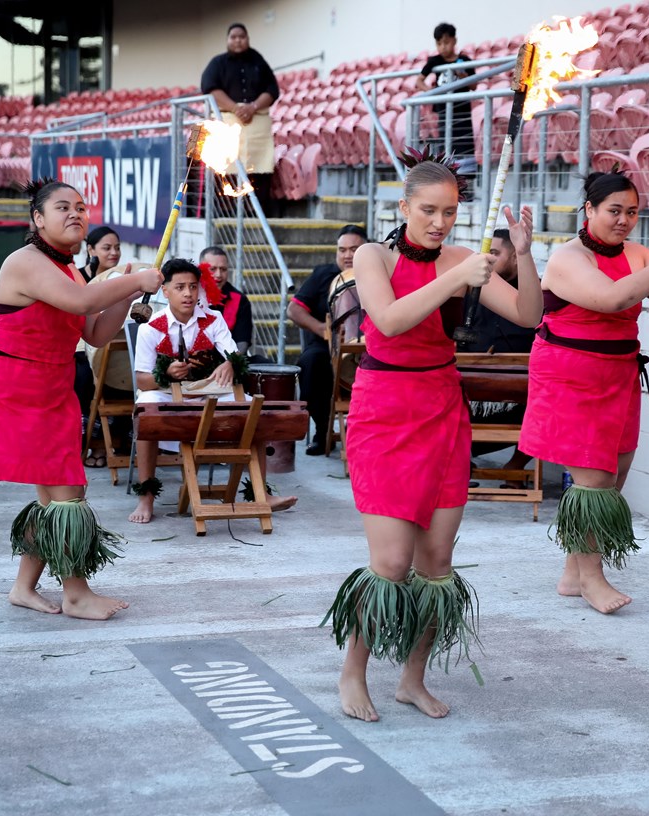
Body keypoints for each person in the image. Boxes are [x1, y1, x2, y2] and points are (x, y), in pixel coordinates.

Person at [324, 149, 543, 722]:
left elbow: (529, 315)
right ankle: (353, 672)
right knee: (392, 563)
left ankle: (411, 680)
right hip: (383, 412)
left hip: (442, 410)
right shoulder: (373, 255)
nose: (439, 222)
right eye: (428, 210)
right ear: (404, 206)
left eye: (448, 212)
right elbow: (390, 322)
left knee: (437, 564)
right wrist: (455, 278)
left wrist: (522, 256)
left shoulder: (464, 259)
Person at [519, 169, 649, 615]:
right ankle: (593, 578)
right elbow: (611, 298)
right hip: (569, 375)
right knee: (594, 481)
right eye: (614, 211)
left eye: (632, 212)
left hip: (619, 374)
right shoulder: (567, 258)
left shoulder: (637, 254)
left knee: (613, 476)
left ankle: (574, 573)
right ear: (590, 209)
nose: (624, 220)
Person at [0, 179, 163, 620]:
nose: (76, 213)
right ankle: (76, 593)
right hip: (15, 388)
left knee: (53, 493)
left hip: (50, 388)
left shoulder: (70, 270)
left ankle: (24, 587)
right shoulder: (26, 261)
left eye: (80, 206)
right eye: (63, 207)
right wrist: (133, 278)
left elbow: (93, 331)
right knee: (67, 491)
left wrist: (131, 292)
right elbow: (80, 303)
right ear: (38, 219)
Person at [128, 259, 297, 524]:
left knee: (255, 409)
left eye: (193, 287)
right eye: (180, 287)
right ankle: (146, 497)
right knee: (146, 408)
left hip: (207, 393)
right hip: (166, 393)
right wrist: (168, 374)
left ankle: (260, 493)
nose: (188, 294)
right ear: (165, 291)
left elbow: (233, 355)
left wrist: (231, 364)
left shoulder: (213, 318)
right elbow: (141, 380)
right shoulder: (151, 328)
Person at [287, 225, 368, 455]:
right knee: (311, 363)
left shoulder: (378, 274)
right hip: (326, 347)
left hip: (370, 345)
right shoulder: (324, 274)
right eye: (342, 250)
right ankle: (322, 431)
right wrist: (321, 327)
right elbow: (294, 310)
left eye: (354, 249)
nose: (347, 255)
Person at [466, 228, 536, 485]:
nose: (487, 259)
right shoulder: (471, 291)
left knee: (553, 402)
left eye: (494, 253)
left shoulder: (535, 295)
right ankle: (461, 463)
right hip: (469, 390)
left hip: (523, 395)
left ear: (517, 257)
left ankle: (514, 468)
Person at [200, 23, 280, 215]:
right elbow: (209, 87)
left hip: (256, 123)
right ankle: (224, 213)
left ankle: (257, 213)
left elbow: (272, 89)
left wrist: (252, 107)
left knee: (259, 170)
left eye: (241, 37)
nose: (238, 40)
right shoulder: (217, 63)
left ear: (248, 39)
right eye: (233, 37)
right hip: (227, 122)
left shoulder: (258, 61)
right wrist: (236, 108)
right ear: (227, 40)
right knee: (225, 169)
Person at [81, 226, 137, 468]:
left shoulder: (123, 279)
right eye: (107, 248)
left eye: (117, 247)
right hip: (83, 348)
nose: (113, 253)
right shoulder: (79, 279)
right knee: (85, 377)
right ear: (90, 250)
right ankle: (96, 444)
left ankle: (123, 440)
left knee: (130, 374)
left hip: (115, 347)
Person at [416, 23, 476, 159]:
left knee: (464, 145)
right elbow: (419, 81)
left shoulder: (465, 61)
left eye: (446, 42)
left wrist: (463, 77)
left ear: (454, 41)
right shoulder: (434, 61)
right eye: (439, 43)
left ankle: (466, 176)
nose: (443, 47)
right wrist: (431, 91)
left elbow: (474, 86)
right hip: (443, 111)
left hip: (462, 111)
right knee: (446, 144)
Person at [198, 245, 253, 354]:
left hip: (229, 359)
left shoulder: (239, 300)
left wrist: (231, 363)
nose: (218, 275)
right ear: (201, 270)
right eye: (212, 269)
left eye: (223, 269)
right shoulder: (191, 296)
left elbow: (242, 342)